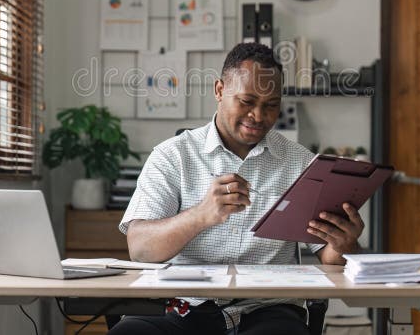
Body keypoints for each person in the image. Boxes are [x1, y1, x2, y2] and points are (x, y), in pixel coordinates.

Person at [110, 42, 365, 335]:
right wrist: (201, 215)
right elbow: (140, 249)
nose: (258, 115)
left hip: (268, 311)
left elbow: (331, 257)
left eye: (271, 105)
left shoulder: (303, 164)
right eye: (247, 101)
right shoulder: (172, 156)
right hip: (184, 309)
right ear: (219, 90)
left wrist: (345, 243)